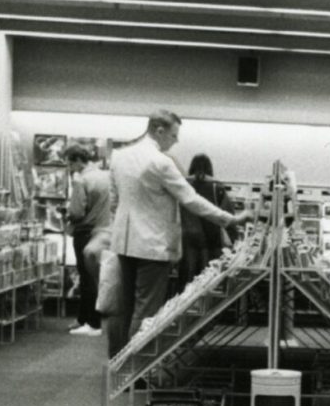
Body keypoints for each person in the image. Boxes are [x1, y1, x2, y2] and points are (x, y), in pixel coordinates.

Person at [105, 110, 249, 357]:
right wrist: (230, 219)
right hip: (153, 247)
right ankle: (134, 368)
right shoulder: (161, 162)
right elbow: (191, 200)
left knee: (124, 307)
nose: (176, 141)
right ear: (159, 130)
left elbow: (114, 202)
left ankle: (116, 363)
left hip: (123, 243)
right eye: (174, 135)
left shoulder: (118, 156)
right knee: (146, 309)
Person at [62, 144, 113, 337]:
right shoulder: (106, 176)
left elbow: (76, 212)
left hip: (85, 232)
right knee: (92, 276)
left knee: (86, 278)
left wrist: (67, 215)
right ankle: (84, 319)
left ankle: (92, 322)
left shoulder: (81, 180)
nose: (69, 168)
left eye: (69, 164)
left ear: (76, 161)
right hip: (104, 231)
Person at [178, 153, 229, 289]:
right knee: (209, 277)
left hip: (187, 236)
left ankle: (184, 307)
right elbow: (227, 214)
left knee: (187, 275)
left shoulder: (183, 184)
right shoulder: (217, 186)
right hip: (211, 237)